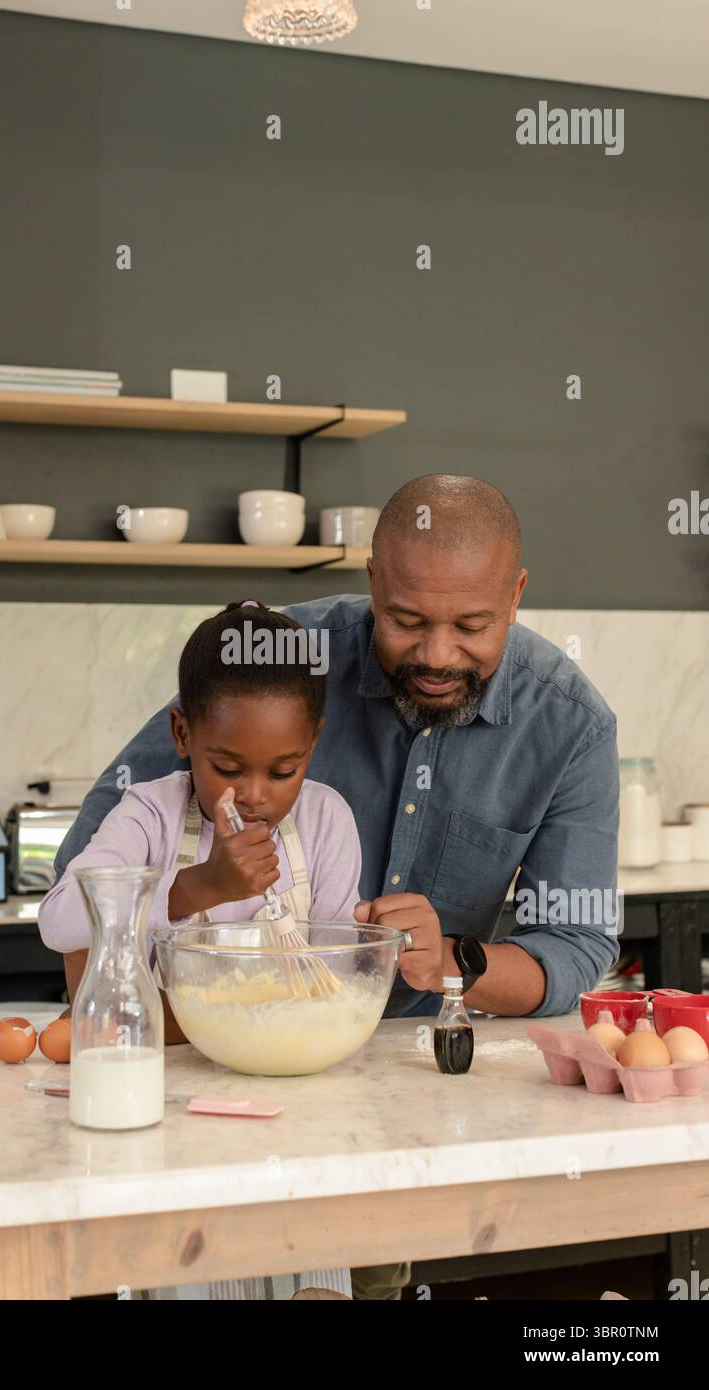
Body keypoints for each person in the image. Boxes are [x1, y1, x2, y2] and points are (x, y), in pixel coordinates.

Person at [53, 474, 621, 1298]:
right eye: (404, 621)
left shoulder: (566, 723)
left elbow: (577, 944)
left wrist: (455, 962)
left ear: (516, 593)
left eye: (471, 625)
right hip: (196, 1085)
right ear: (369, 583)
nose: (435, 654)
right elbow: (92, 885)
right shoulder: (271, 662)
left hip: (380, 1103)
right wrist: (139, 1031)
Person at [40, 598, 366, 1299]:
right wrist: (199, 885)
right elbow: (61, 922)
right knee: (200, 1272)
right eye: (227, 767)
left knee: (316, 1264)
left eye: (283, 772)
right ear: (182, 734)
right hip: (172, 1103)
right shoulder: (150, 815)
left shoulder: (327, 823)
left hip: (293, 1099)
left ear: (312, 743)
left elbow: (333, 982)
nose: (254, 796)